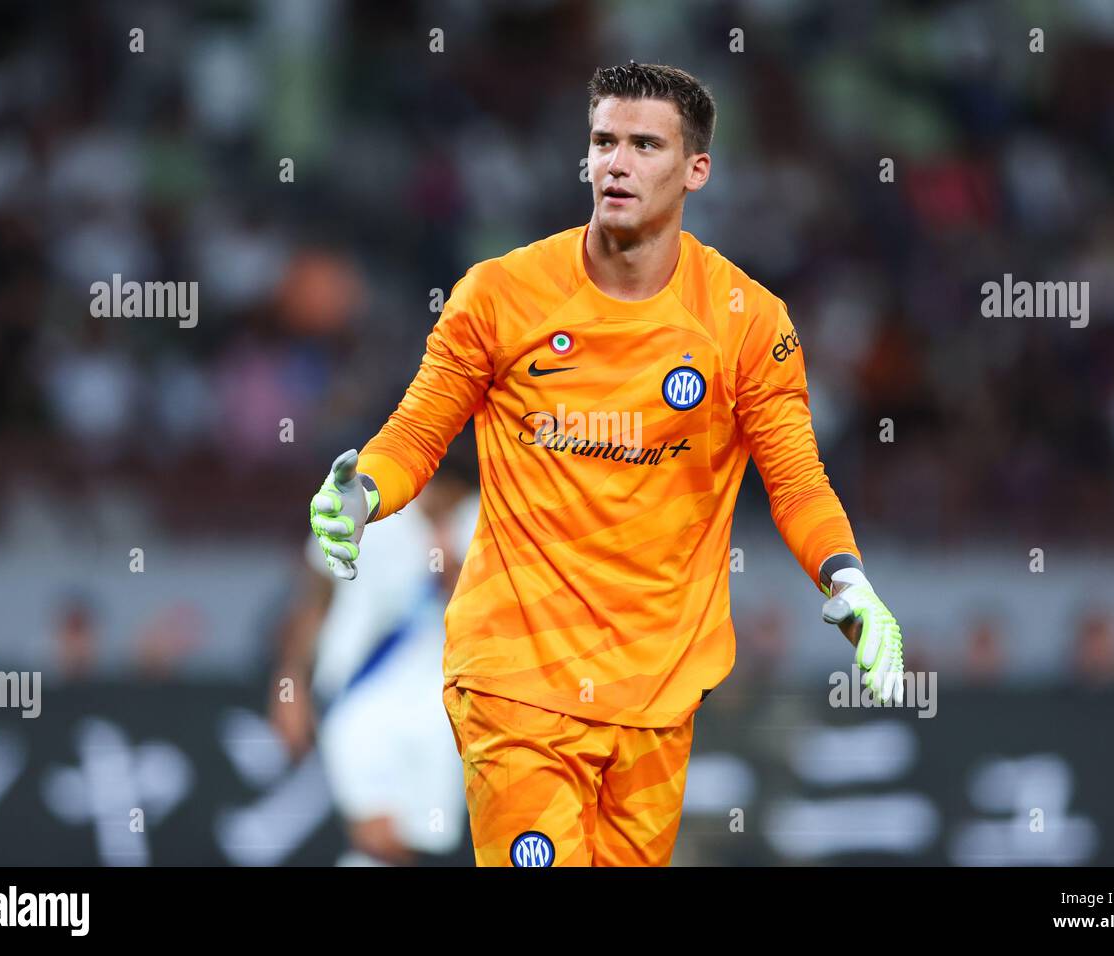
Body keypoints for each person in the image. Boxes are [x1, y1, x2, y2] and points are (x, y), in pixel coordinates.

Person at [308, 61, 903, 867]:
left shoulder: (746, 323)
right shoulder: (500, 294)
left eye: (645, 145)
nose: (617, 162)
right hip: (515, 678)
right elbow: (418, 431)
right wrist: (366, 490)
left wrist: (846, 577)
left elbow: (796, 478)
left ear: (697, 169)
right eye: (603, 141)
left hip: (656, 695)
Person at [278, 458, 479, 865]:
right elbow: (313, 600)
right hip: (356, 696)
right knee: (375, 836)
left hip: (442, 710)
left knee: (420, 841)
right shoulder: (364, 511)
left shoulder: (482, 518)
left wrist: (445, 551)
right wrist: (288, 687)